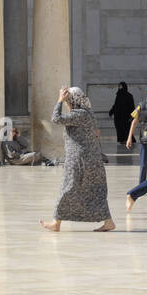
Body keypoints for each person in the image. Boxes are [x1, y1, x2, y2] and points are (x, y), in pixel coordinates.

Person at [40, 87, 115, 232]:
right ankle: (109, 222)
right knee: (95, 191)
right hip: (92, 159)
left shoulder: (78, 114)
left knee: (67, 188)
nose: (67, 103)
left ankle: (56, 222)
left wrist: (59, 101)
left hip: (79, 159)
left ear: (73, 101)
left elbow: (55, 118)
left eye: (68, 100)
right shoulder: (88, 113)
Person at [108, 81, 135, 151]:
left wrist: (132, 116)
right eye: (119, 87)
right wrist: (111, 111)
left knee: (127, 129)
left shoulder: (129, 96)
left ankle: (129, 140)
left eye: (121, 87)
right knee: (120, 129)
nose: (120, 88)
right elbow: (115, 105)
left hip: (126, 117)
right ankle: (122, 140)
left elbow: (132, 107)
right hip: (118, 117)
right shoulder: (118, 95)